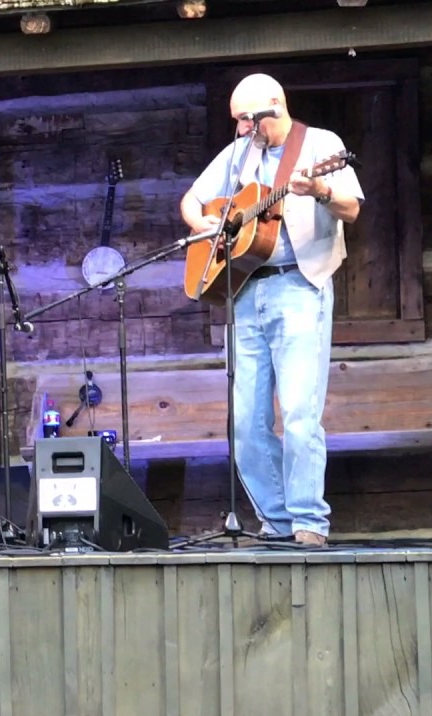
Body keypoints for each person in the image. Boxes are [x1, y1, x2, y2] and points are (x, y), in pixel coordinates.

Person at [180, 73, 363, 547]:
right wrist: (209, 226)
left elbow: (351, 209)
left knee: (300, 413)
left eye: (247, 119)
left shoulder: (321, 145)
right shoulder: (239, 153)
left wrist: (319, 191)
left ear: (275, 106)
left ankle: (308, 521)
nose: (241, 129)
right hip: (243, 290)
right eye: (237, 120)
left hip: (299, 287)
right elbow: (191, 201)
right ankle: (275, 520)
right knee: (245, 421)